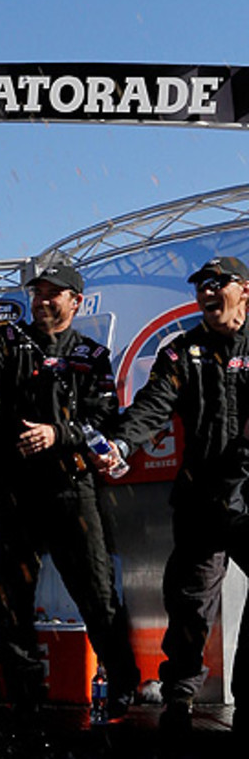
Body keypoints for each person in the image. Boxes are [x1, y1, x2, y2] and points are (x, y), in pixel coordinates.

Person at [0, 263, 141, 717]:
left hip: (72, 490)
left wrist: (57, 433)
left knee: (97, 593)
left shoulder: (91, 355)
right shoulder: (9, 341)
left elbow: (104, 421)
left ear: (76, 302)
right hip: (15, 492)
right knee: (11, 600)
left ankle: (125, 687)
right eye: (38, 293)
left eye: (54, 294)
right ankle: (24, 696)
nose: (43, 301)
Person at [103, 256, 249, 735]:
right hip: (202, 498)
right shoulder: (182, 351)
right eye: (201, 285)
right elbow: (153, 405)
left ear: (243, 290)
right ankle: (180, 698)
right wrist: (122, 442)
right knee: (188, 599)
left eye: (218, 283)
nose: (208, 291)